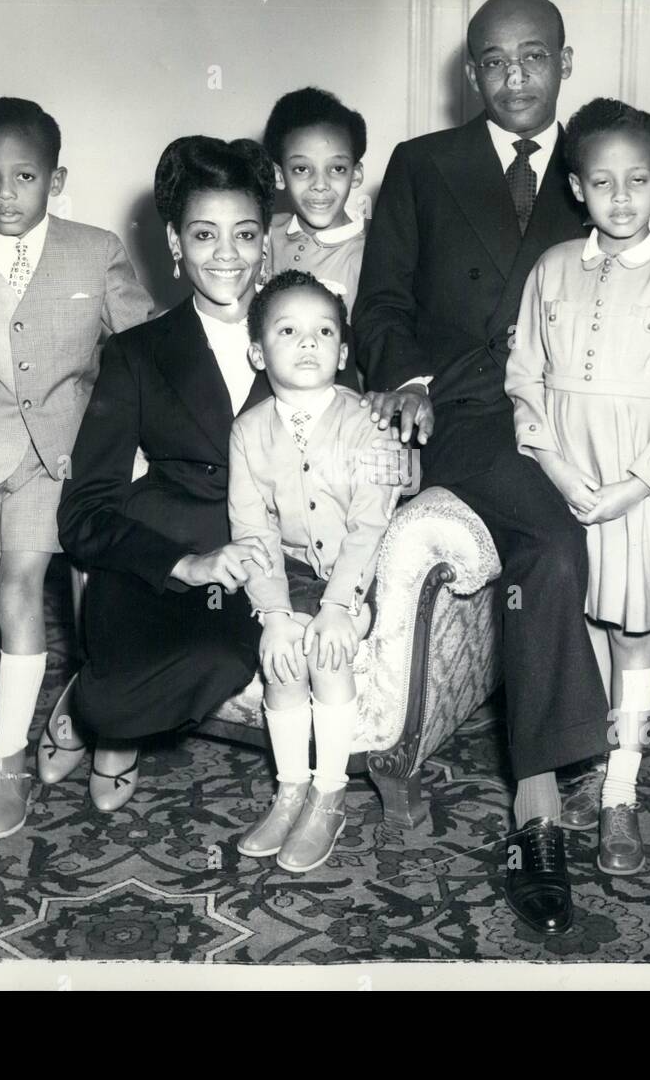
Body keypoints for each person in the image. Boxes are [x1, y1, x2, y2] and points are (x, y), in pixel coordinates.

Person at [354, 0, 650, 936]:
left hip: (605, 421)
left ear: (565, 63)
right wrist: (408, 377)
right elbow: (379, 306)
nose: (515, 77)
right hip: (477, 412)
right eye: (494, 62)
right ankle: (537, 810)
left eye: (534, 58)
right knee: (552, 546)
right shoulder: (422, 166)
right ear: (471, 72)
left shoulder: (602, 161)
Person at [44, 137, 360, 811]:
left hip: (258, 564)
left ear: (266, 243)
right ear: (173, 243)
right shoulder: (134, 354)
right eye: (204, 234)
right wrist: (181, 564)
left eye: (245, 234)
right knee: (122, 668)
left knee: (216, 660)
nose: (227, 254)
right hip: (155, 554)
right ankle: (98, 704)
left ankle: (104, 716)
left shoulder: (310, 336)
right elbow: (82, 513)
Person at [0, 97, 153, 840]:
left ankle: (11, 758)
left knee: (21, 589)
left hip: (57, 458)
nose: (6, 194)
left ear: (56, 179)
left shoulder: (96, 250)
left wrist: (118, 436)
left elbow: (139, 345)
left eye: (24, 177)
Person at [506, 97, 650, 876]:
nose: (623, 197)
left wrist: (634, 487)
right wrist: (563, 471)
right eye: (604, 182)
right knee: (583, 621)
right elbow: (524, 379)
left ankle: (620, 794)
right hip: (567, 473)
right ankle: (582, 763)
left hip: (645, 487)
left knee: (635, 629)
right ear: (576, 188)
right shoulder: (553, 269)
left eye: (639, 180)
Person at [229, 270, 400, 872]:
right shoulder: (247, 433)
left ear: (343, 350)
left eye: (323, 331)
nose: (308, 343)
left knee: (328, 653)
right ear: (258, 351)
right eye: (288, 331)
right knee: (284, 656)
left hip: (356, 571)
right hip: (293, 571)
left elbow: (371, 526)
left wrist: (338, 607)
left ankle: (330, 792)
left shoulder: (369, 425)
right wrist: (275, 613)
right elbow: (252, 531)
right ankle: (291, 787)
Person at [262, 87, 370, 312]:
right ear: (279, 176)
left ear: (356, 174)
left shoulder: (371, 254)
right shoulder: (263, 232)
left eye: (337, 168)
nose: (320, 185)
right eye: (302, 169)